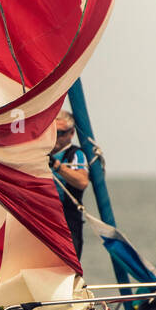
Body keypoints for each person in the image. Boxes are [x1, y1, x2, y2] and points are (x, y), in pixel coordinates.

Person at [48, 109, 92, 260]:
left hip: (68, 222)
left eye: (60, 133)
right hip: (44, 219)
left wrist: (57, 166)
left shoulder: (75, 155)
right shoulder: (40, 153)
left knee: (68, 268)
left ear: (71, 133)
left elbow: (82, 181)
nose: (56, 137)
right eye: (53, 131)